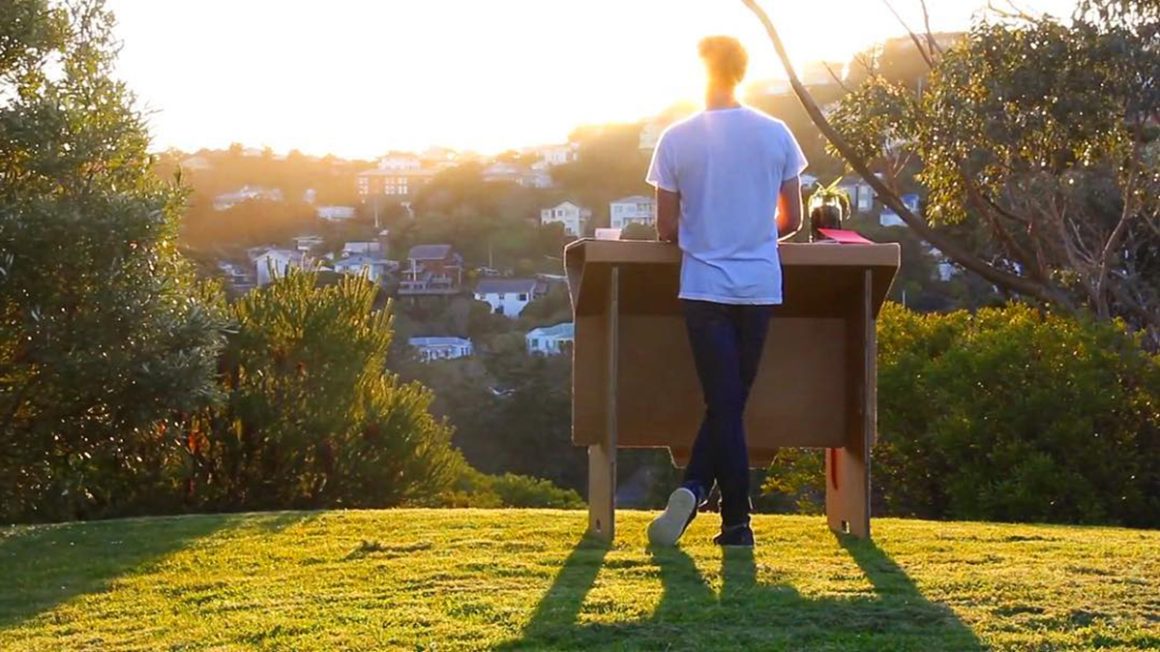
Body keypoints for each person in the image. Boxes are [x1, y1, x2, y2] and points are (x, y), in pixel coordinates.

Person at [645, 35, 806, 548]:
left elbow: (665, 229)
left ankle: (701, 491)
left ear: (701, 70)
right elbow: (794, 219)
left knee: (725, 404)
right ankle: (734, 522)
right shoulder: (777, 134)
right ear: (742, 71)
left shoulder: (675, 138)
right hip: (759, 286)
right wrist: (752, 230)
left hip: (704, 288)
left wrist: (708, 227)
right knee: (730, 406)